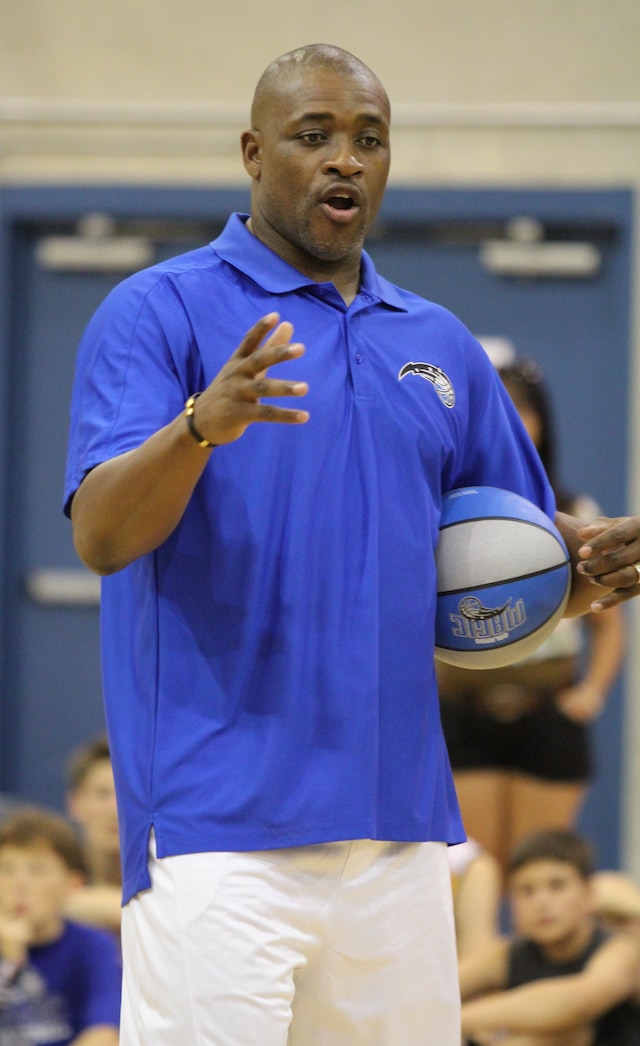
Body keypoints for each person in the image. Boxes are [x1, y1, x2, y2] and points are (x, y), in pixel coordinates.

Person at [63, 43, 640, 1046]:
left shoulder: (440, 342)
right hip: (214, 832)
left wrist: (581, 574)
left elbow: (497, 572)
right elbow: (104, 536)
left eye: (369, 139)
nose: (346, 159)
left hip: (397, 834)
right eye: (314, 135)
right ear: (253, 152)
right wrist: (200, 424)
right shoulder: (156, 312)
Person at [438, 355, 626, 878]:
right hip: (462, 705)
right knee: (478, 875)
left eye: (523, 407)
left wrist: (589, 696)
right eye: (501, 407)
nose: (513, 420)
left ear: (542, 419)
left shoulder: (571, 508)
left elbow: (608, 622)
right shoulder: (447, 507)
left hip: (548, 707)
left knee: (538, 872)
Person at [459, 828, 640, 1045]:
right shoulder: (505, 955)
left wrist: (460, 1019)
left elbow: (575, 1002)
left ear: (589, 894)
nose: (542, 903)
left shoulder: (623, 950)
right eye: (527, 891)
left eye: (557, 886)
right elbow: (442, 989)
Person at [0, 806, 121, 1046]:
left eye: (37, 871)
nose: (20, 884)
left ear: (72, 885)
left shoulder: (92, 946)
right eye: (7, 870)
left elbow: (104, 1036)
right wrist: (9, 965)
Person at [64, 735, 121, 936]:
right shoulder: (55, 867)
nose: (115, 810)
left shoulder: (166, 873)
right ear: (75, 803)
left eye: (126, 795)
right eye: (102, 794)